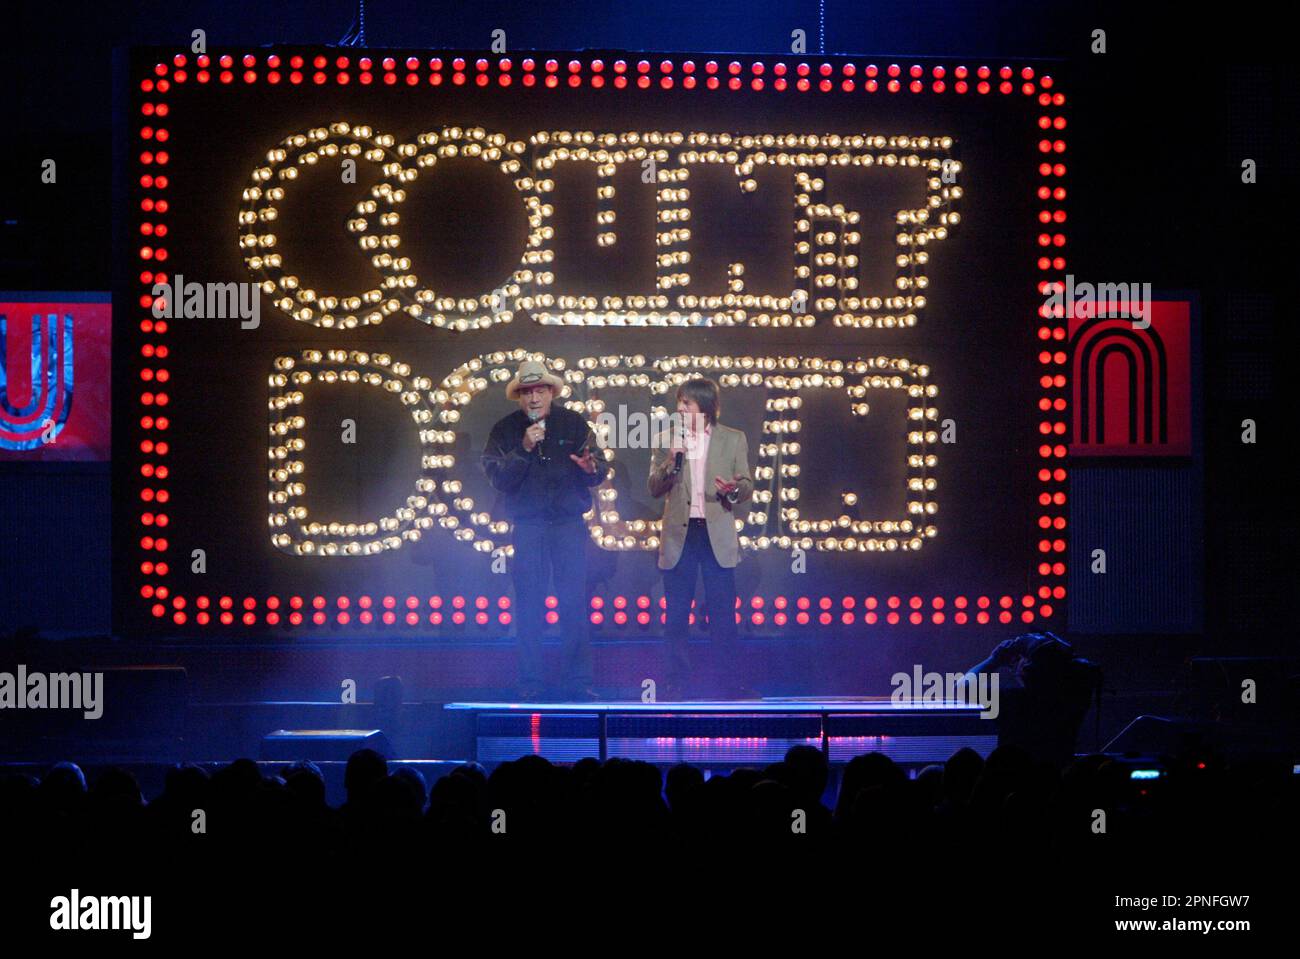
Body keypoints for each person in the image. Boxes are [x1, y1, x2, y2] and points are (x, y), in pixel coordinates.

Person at [481, 360, 605, 701]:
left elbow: (598, 468)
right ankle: (530, 683)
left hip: (567, 525)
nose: (534, 398)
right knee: (529, 605)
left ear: (551, 392)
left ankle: (578, 682)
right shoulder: (505, 430)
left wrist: (591, 468)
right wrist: (523, 448)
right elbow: (498, 478)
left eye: (540, 391)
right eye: (527, 392)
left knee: (573, 603)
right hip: (529, 526)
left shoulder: (573, 423)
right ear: (518, 396)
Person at [647, 377, 754, 700]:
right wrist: (670, 461)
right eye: (679, 403)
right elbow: (653, 487)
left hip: (715, 532)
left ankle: (728, 683)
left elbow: (746, 485)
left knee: (723, 612)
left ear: (705, 408)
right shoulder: (666, 439)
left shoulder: (733, 440)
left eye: (687, 404)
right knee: (677, 613)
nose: (680, 408)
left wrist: (732, 489)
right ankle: (675, 682)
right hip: (681, 534)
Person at [960, 632, 1100, 769]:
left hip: (1015, 778)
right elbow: (1086, 670)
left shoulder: (1013, 701)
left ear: (1027, 669)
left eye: (1023, 658)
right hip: (1057, 778)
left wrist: (994, 660)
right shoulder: (1074, 699)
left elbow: (963, 687)